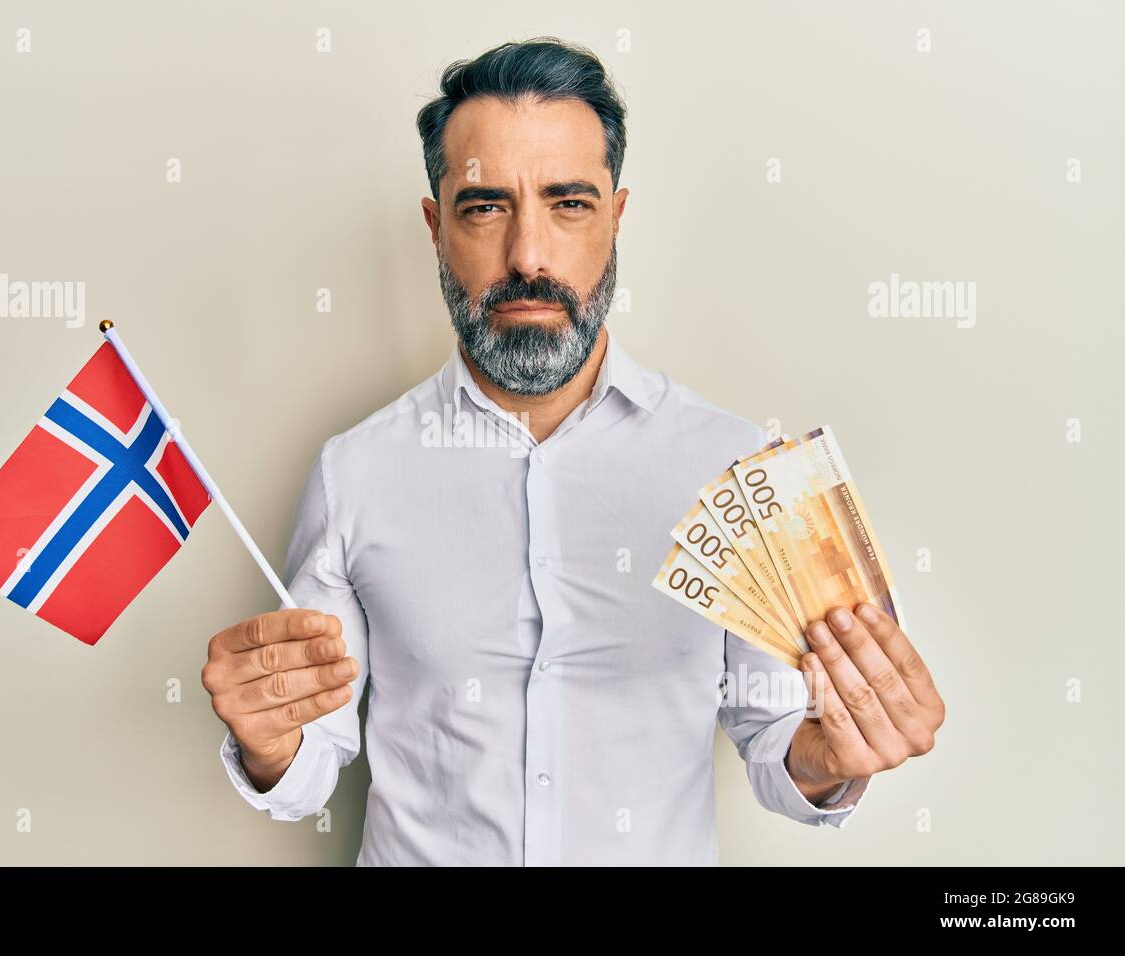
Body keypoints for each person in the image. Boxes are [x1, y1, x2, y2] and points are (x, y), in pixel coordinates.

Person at [200, 36, 944, 865]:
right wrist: (270, 740)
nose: (528, 256)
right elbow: (309, 766)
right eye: (485, 207)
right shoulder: (355, 473)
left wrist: (835, 752)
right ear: (436, 225)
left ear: (615, 218)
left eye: (569, 203)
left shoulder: (733, 468)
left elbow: (777, 748)